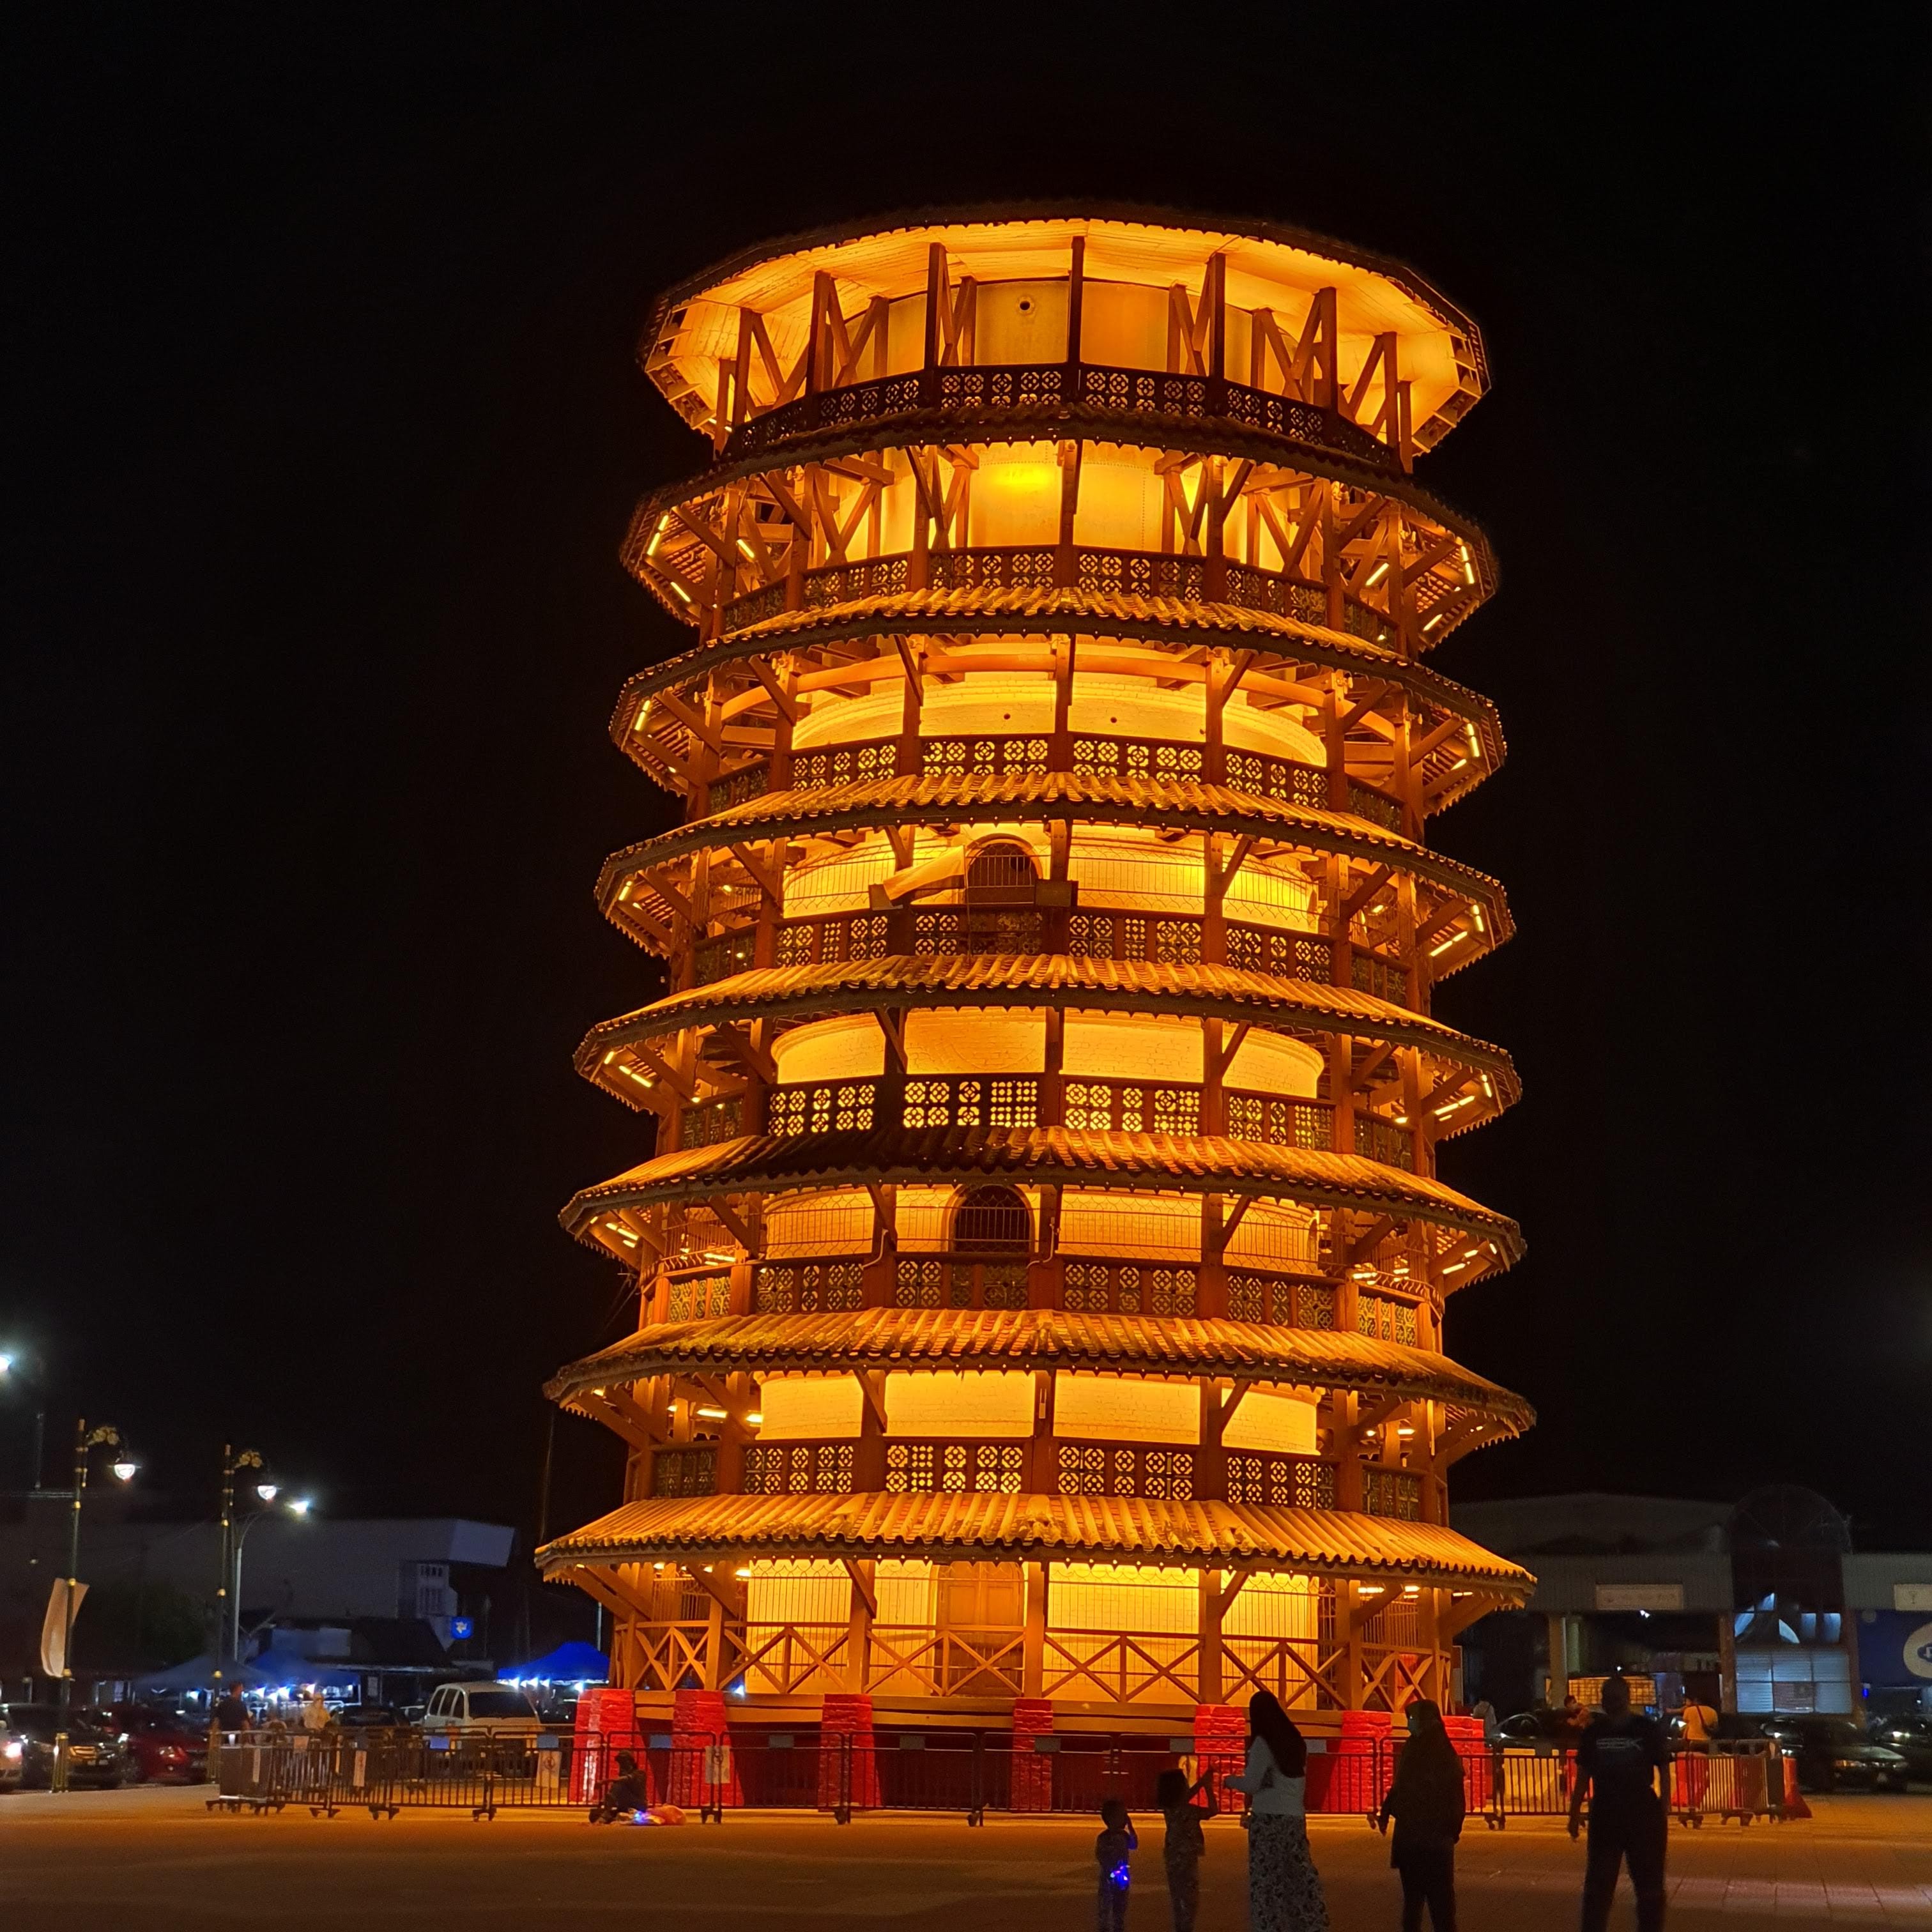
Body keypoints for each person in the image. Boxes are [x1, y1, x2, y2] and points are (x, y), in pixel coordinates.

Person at [1568, 1673, 1670, 1932]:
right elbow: (1583, 1775)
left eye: (1613, 1697)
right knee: (1607, 1888)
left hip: (1631, 1815)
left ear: (1624, 1699)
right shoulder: (1599, 1732)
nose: (1610, 1702)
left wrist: (1663, 1810)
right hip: (1616, 1814)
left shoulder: (1638, 1730)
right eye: (1607, 1697)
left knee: (1640, 1887)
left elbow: (1663, 1768)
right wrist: (1574, 1812)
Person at [1226, 1690, 1329, 1932]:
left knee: (1267, 1881)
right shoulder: (1295, 1740)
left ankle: (1270, 1926)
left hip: (1268, 1820)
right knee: (1296, 1875)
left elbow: (1251, 1784)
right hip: (1294, 1818)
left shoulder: (1263, 1744)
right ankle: (1309, 1922)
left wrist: (1230, 1781)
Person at [1376, 1699, 1465, 1932]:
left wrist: (1389, 1811)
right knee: (1442, 1907)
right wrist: (1452, 1831)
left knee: (1414, 1905)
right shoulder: (1444, 1751)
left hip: (1414, 1839)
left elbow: (1403, 1787)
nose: (1409, 1724)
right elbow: (1456, 1798)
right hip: (1436, 1842)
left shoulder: (1417, 1750)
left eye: (1413, 1719)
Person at [1154, 1765, 1216, 1932]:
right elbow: (1212, 1810)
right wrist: (1207, 1787)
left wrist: (1201, 1784)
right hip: (1187, 1857)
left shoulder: (1170, 1810)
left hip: (1173, 1855)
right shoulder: (1189, 1811)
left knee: (1178, 1898)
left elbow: (1183, 1800)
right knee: (1190, 1900)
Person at [1094, 1796, 1138, 1932]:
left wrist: (1131, 1828)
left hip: (1122, 1876)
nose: (1125, 1819)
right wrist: (1111, 1868)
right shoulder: (1104, 1837)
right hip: (1108, 1877)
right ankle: (1105, 1927)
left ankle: (1119, 1927)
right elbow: (1100, 1855)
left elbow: (1134, 1845)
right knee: (1106, 1905)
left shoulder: (1124, 1836)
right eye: (1122, 1816)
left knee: (1120, 1905)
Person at [1676, 1690, 1717, 1814]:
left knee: (1690, 1773)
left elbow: (1685, 1724)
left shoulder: (1689, 1711)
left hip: (1692, 1742)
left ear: (1697, 1700)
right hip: (1705, 1743)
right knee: (1702, 1772)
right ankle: (1699, 1798)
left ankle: (1688, 1798)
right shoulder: (1712, 1712)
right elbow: (1715, 1727)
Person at [591, 1749, 652, 1824]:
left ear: (630, 1762)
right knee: (594, 1816)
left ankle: (606, 1815)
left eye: (623, 1762)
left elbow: (625, 1779)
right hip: (625, 1805)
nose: (621, 1765)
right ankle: (608, 1814)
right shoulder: (622, 1776)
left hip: (638, 1805)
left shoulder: (639, 1774)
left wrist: (605, 1781)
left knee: (618, 1785)